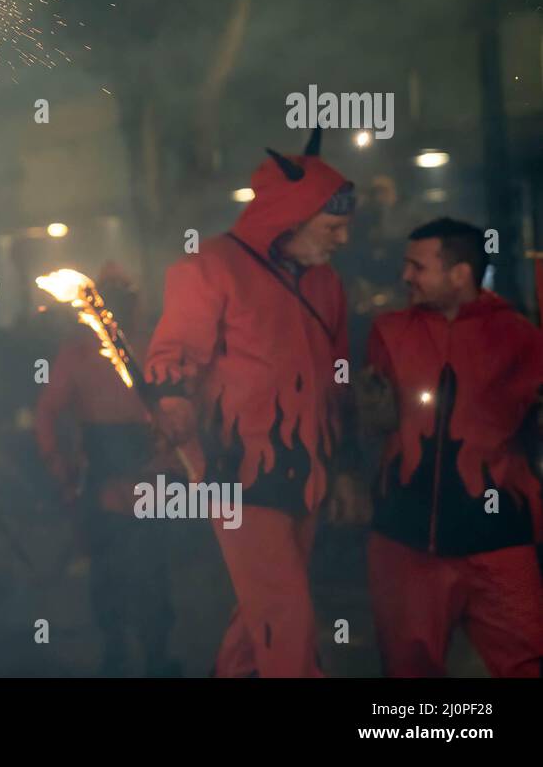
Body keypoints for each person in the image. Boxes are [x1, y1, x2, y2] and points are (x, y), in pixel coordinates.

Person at [145, 128, 356, 677]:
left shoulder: (326, 283)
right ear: (290, 215)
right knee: (287, 619)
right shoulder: (209, 267)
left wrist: (345, 465)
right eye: (331, 227)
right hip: (239, 471)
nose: (341, 239)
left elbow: (339, 376)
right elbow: (173, 354)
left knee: (260, 615)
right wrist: (172, 402)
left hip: (308, 473)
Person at [360, 217, 543, 677]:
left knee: (526, 662)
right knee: (408, 671)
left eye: (417, 266)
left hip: (498, 537)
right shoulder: (388, 332)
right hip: (406, 538)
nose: (405, 277)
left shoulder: (520, 337)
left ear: (459, 273)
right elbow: (370, 421)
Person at [35, 262, 180, 676]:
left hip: (148, 479)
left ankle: (152, 654)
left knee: (149, 570)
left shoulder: (152, 346)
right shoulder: (80, 351)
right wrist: (60, 466)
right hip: (105, 481)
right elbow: (47, 413)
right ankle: (119, 652)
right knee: (112, 569)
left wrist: (172, 459)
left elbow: (177, 410)